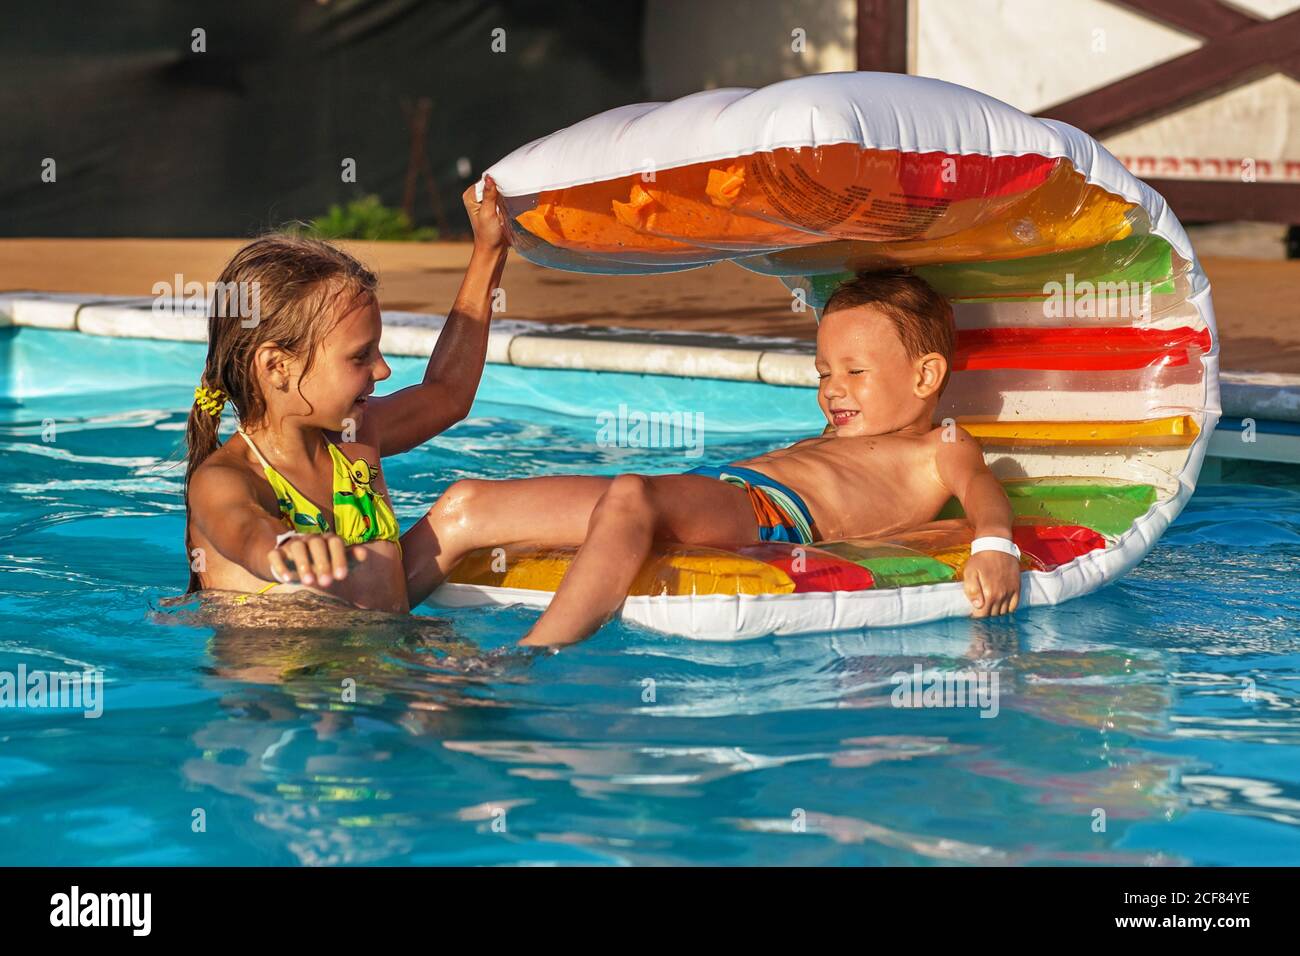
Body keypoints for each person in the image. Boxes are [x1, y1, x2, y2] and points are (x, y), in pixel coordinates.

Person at [404, 270, 1023, 646]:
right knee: (465, 503)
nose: (832, 388)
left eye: (855, 372)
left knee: (631, 495)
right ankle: (345, 619)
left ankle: (533, 657)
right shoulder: (838, 432)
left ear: (926, 376)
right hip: (718, 489)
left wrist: (994, 546)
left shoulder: (937, 445)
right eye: (824, 371)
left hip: (770, 516)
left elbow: (981, 492)